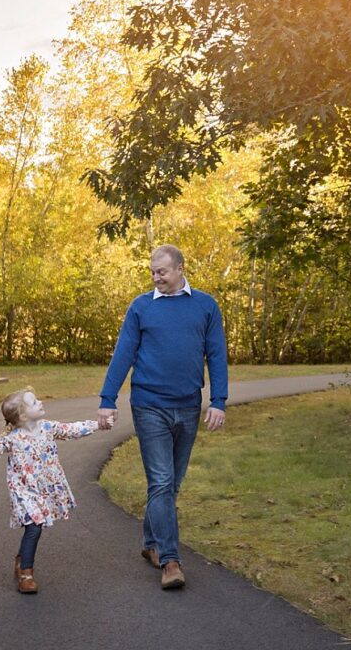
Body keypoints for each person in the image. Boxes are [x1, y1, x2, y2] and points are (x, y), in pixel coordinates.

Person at [97, 244, 228, 590]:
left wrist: (219, 400)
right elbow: (123, 353)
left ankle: (150, 543)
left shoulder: (205, 306)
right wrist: (107, 398)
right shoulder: (141, 308)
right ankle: (171, 561)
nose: (156, 277)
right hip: (149, 405)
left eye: (162, 271)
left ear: (181, 268)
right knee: (160, 481)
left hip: (188, 406)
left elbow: (216, 354)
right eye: (153, 272)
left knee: (172, 484)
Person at [0, 386, 99, 593]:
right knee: (35, 525)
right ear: (22, 415)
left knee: (34, 526)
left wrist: (97, 424)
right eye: (35, 402)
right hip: (24, 491)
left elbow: (71, 429)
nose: (41, 403)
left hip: (45, 488)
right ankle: (26, 573)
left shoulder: (47, 427)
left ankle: (21, 559)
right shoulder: (13, 438)